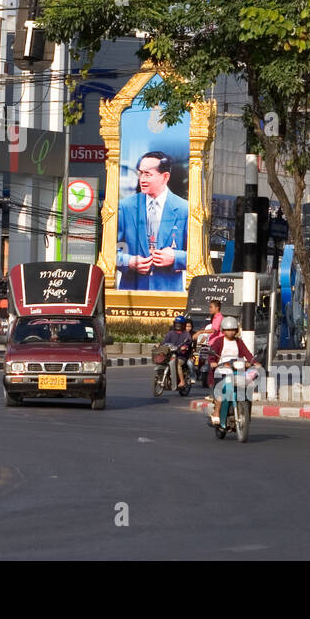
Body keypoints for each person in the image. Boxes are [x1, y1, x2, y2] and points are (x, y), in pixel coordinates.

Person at [116, 151, 190, 291]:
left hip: (168, 296)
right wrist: (128, 262)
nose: (142, 179)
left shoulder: (184, 209)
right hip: (132, 293)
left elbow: (198, 258)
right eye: (140, 173)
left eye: (148, 174)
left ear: (165, 177)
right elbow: (110, 252)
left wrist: (175, 257)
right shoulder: (125, 207)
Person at [208, 316, 262, 425]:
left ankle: (246, 414)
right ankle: (217, 413)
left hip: (237, 370)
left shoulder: (239, 342)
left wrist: (253, 362)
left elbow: (247, 353)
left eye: (233, 330)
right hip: (222, 371)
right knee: (221, 391)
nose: (231, 332)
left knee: (246, 389)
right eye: (228, 330)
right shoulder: (218, 341)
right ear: (223, 330)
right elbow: (212, 355)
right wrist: (213, 362)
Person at [160, 314, 194, 390]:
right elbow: (164, 341)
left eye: (179, 324)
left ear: (183, 325)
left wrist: (184, 347)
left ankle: (182, 381)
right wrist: (159, 344)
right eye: (176, 324)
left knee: (177, 364)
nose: (178, 325)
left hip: (181, 356)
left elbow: (188, 342)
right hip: (170, 355)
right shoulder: (171, 333)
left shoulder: (186, 334)